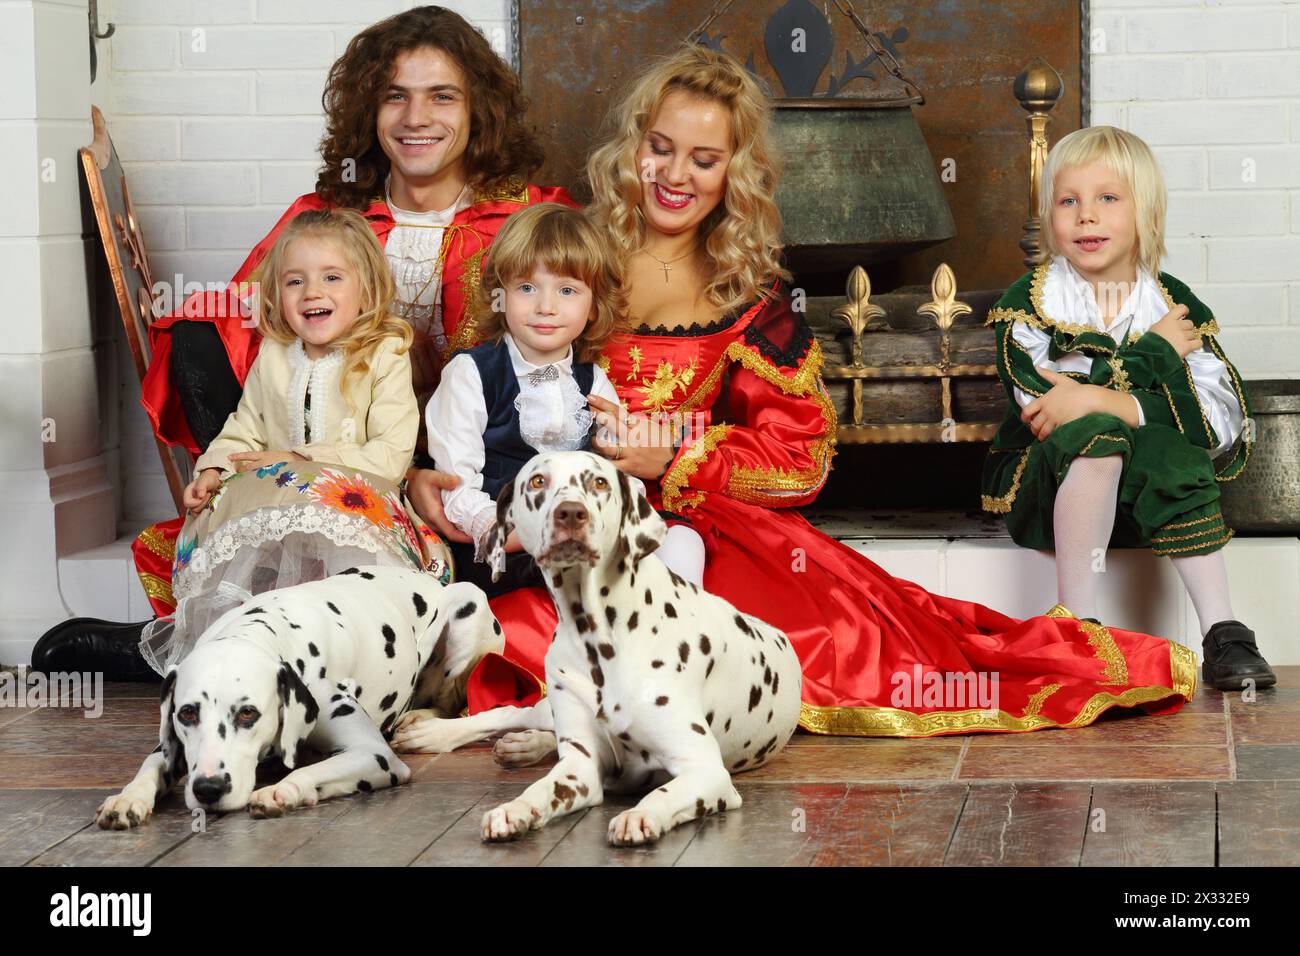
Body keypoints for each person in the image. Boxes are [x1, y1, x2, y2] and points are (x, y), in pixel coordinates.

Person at [408, 44, 1196, 735]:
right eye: (661, 147)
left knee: (855, 654)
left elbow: (801, 462)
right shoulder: (561, 258)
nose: (676, 175)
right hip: (553, 527)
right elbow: (478, 389)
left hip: (695, 531)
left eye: (705, 159)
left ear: (734, 174)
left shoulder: (749, 301)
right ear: (632, 148)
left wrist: (674, 458)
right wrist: (427, 475)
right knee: (509, 632)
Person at [34, 5, 573, 679]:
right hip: (321, 462)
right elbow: (248, 331)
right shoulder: (328, 217)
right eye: (395, 96)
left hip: (468, 470)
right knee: (197, 336)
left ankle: (225, 643)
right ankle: (234, 606)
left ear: (479, 109)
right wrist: (248, 453)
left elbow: (574, 357)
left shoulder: (528, 215)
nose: (416, 118)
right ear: (368, 110)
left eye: (442, 96)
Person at [981, 125, 1274, 692]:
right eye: (1068, 201)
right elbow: (1048, 411)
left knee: (1170, 448)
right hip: (1050, 488)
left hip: (1147, 501)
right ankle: (1078, 626)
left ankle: (1223, 629)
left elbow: (1214, 421)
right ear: (1050, 217)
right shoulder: (1033, 304)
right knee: (1095, 432)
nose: (1086, 216)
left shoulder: (1173, 304)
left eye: (1107, 199)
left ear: (1147, 214)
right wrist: (1153, 361)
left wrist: (1102, 394)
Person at [141, 208, 448, 673]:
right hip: (277, 508)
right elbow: (244, 427)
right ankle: (257, 663)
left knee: (349, 606)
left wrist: (299, 460)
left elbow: (390, 453)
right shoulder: (275, 355)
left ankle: (352, 666)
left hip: (354, 510)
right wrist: (214, 466)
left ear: (366, 289)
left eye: (332, 277)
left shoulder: (383, 353)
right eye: (294, 282)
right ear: (277, 295)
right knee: (251, 568)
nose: (313, 293)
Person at [426, 202, 707, 594]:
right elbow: (456, 482)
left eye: (567, 290)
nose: (545, 306)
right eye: (526, 288)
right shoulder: (471, 374)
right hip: (515, 543)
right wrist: (504, 529)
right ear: (499, 296)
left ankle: (678, 627)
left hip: (583, 527)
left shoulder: (591, 380)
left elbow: (617, 471)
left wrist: (620, 515)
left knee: (682, 540)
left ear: (593, 306)